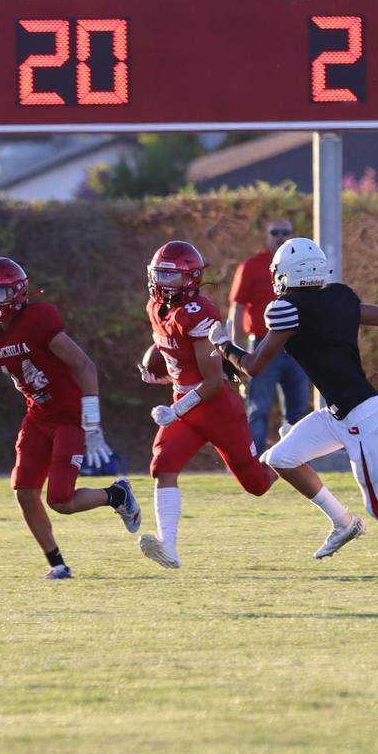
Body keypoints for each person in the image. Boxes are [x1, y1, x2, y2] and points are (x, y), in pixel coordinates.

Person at [225, 237, 378, 569]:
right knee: (280, 457)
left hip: (360, 415)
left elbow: (254, 365)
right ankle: (344, 522)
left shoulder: (289, 309)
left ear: (288, 273)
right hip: (342, 411)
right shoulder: (339, 297)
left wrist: (223, 345)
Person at [0, 256, 140, 579]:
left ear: (16, 293)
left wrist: (92, 423)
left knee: (60, 500)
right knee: (24, 490)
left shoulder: (39, 319)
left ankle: (116, 495)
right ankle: (57, 564)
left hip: (70, 417)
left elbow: (85, 366)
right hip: (38, 417)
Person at [136, 240, 285, 569]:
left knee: (257, 485)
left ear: (189, 280)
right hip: (186, 401)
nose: (161, 282)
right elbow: (176, 357)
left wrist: (176, 410)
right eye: (158, 274)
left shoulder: (198, 313)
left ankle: (289, 454)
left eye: (169, 276)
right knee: (163, 466)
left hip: (216, 406)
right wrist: (161, 377)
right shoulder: (155, 307)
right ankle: (169, 547)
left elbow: (215, 380)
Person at [230, 216, 311, 449]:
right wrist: (237, 348)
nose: (280, 237)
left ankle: (296, 458)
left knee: (298, 408)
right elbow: (238, 307)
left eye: (285, 232)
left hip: (296, 346)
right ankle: (254, 463)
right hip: (263, 344)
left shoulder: (301, 265)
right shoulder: (252, 266)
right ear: (267, 236)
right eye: (275, 232)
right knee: (258, 407)